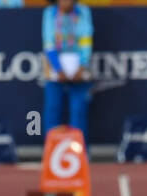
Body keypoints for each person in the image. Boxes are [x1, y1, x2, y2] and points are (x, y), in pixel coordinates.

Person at [41, 0, 93, 138]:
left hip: (79, 70)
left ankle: (80, 152)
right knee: (53, 110)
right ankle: (51, 152)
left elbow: (86, 40)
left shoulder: (83, 12)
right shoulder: (49, 13)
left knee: (78, 112)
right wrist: (58, 68)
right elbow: (48, 43)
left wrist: (82, 66)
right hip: (55, 70)